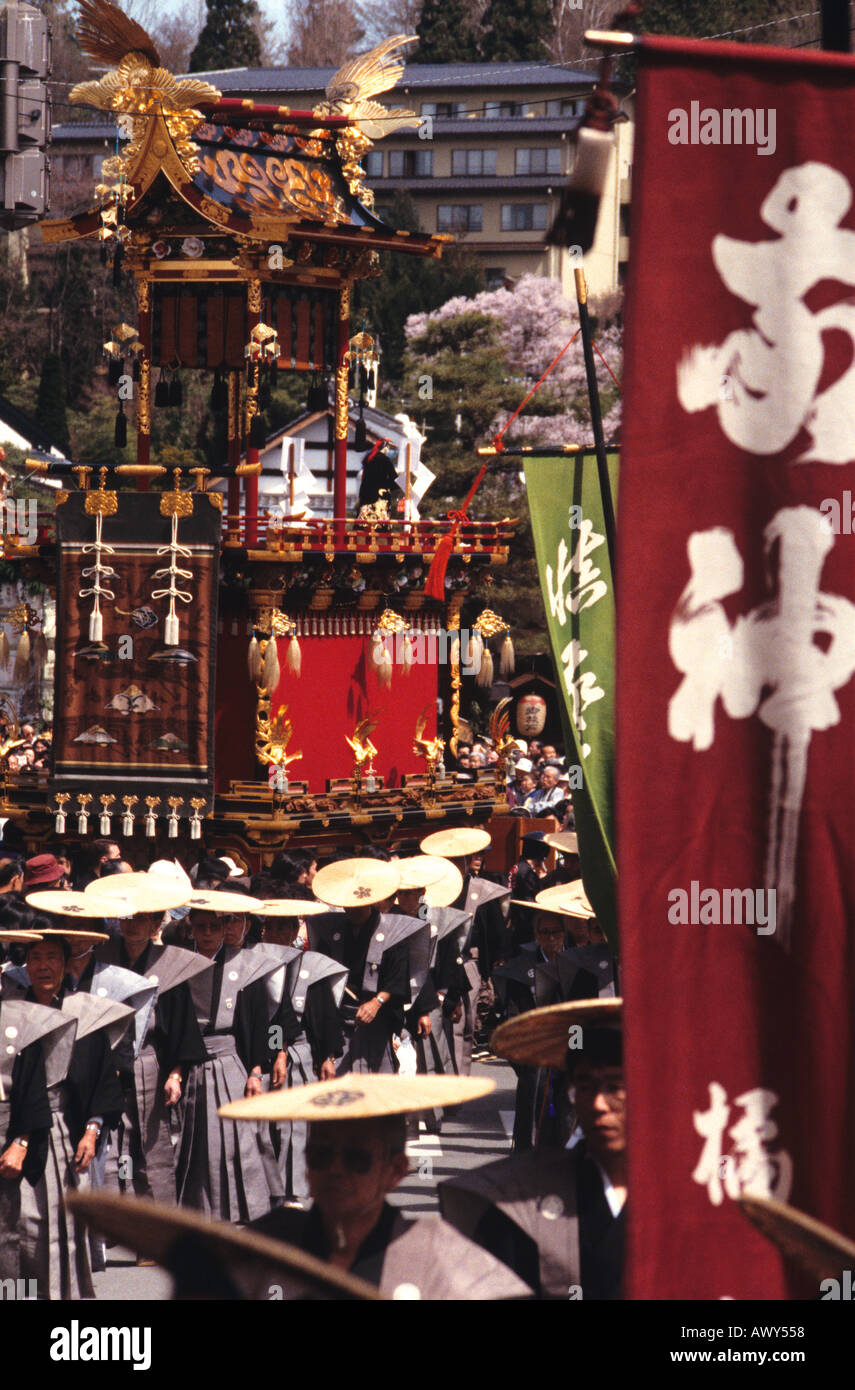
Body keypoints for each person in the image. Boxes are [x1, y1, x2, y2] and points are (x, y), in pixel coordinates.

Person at [231, 1074, 532, 1299]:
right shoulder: (266, 1244)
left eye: (356, 1158)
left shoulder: (440, 1255)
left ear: (396, 1171)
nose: (335, 1171)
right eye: (321, 1156)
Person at [439, 998, 627, 1299]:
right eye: (585, 1085)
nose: (598, 1104)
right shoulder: (520, 1199)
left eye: (615, 1087)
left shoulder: (695, 1192)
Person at [10, 927, 130, 1299]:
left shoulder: (84, 1014)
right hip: (14, 1129)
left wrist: (92, 1131)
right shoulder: (11, 1013)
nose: (43, 966)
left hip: (65, 1126)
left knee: (64, 1227)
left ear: (65, 965)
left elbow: (103, 1080)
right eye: (35, 958)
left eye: (51, 958)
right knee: (21, 1226)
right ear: (25, 965)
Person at [86, 872, 211, 1206]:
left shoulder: (169, 963)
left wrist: (176, 1073)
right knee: (113, 1140)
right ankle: (115, 1217)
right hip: (106, 1062)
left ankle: (154, 1224)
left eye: (143, 918)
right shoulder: (102, 958)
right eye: (128, 916)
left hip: (149, 1063)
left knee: (151, 1142)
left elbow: (183, 1026)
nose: (133, 925)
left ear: (157, 922)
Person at [175, 889, 297, 1223]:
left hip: (239, 1058)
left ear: (242, 925)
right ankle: (201, 1204)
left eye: (225, 924)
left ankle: (253, 1201)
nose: (216, 933)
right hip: (199, 1056)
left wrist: (274, 1056)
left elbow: (271, 1021)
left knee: (243, 1137)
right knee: (200, 1138)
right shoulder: (184, 964)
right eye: (204, 927)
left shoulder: (254, 966)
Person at [251, 885, 346, 1205]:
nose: (276, 931)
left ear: (295, 929)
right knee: (262, 1126)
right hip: (256, 1051)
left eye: (284, 925)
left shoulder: (311, 965)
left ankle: (293, 1189)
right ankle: (265, 1189)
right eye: (270, 925)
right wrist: (273, 1050)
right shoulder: (251, 962)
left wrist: (328, 1056)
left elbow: (324, 1017)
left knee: (293, 1126)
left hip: (297, 1053)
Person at [309, 858, 427, 1075]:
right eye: (348, 906)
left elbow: (398, 976)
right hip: (339, 1017)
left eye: (358, 906)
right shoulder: (331, 930)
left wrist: (377, 1001)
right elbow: (322, 978)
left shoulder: (393, 931)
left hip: (377, 1016)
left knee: (377, 1088)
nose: (352, 911)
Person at [419, 828, 512, 1071]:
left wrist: (490, 971)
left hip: (466, 962)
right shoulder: (429, 892)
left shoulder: (483, 891)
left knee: (462, 1027)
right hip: (430, 963)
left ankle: (458, 1081)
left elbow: (496, 935)